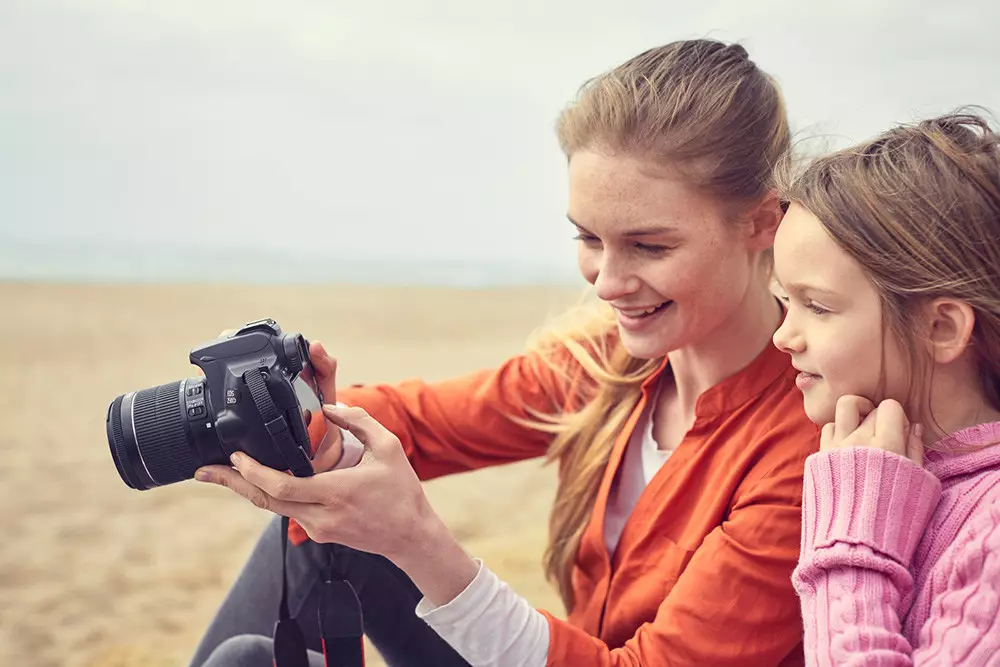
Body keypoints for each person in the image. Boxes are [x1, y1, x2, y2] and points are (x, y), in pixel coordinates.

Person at [190, 39, 820, 667]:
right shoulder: (608, 364)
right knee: (304, 560)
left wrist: (417, 540)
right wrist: (290, 414)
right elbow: (422, 422)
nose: (605, 282)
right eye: (589, 238)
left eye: (650, 247)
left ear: (762, 223)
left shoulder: (808, 445)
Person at [771, 111, 1000, 665]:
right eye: (783, 303)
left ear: (940, 328)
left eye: (817, 306)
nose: (783, 336)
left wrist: (850, 556)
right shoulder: (867, 458)